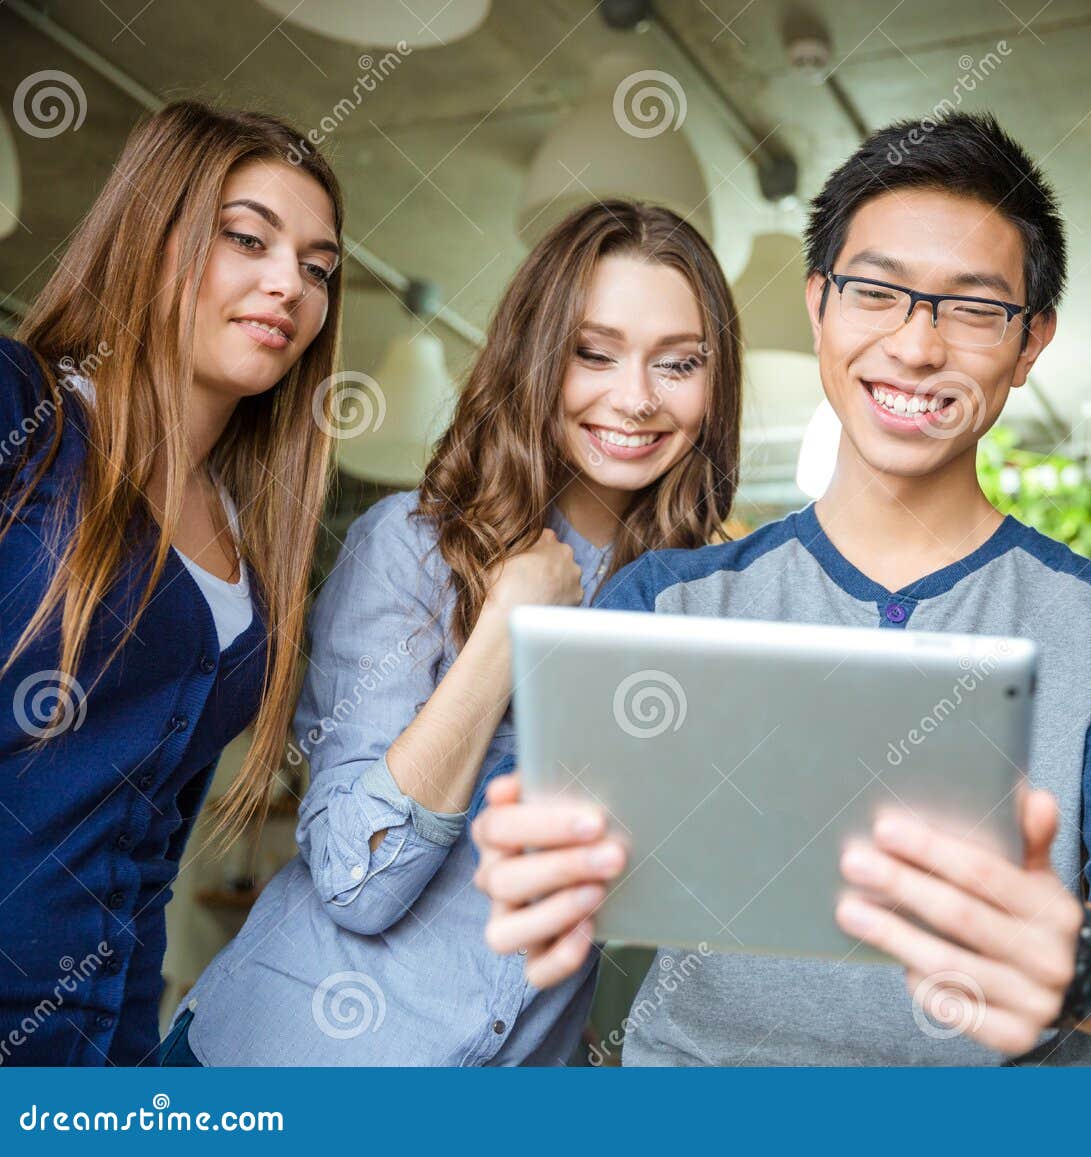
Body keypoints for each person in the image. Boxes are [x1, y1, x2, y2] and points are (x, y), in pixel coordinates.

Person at [472, 112, 1091, 1066]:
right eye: (876, 291)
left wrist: (1076, 960)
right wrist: (546, 874)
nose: (917, 348)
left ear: (1031, 339)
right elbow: (574, 852)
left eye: (973, 307)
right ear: (819, 304)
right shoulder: (665, 604)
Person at [158, 201, 742, 1065]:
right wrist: (505, 629)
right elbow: (358, 883)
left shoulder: (715, 610)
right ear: (540, 356)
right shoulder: (411, 546)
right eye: (594, 352)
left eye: (679, 362)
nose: (636, 397)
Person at [0, 101, 344, 1065]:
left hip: (98, 1054)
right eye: (248, 238)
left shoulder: (254, 558)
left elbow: (145, 858)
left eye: (318, 269)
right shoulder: (25, 415)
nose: (291, 286)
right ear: (152, 238)